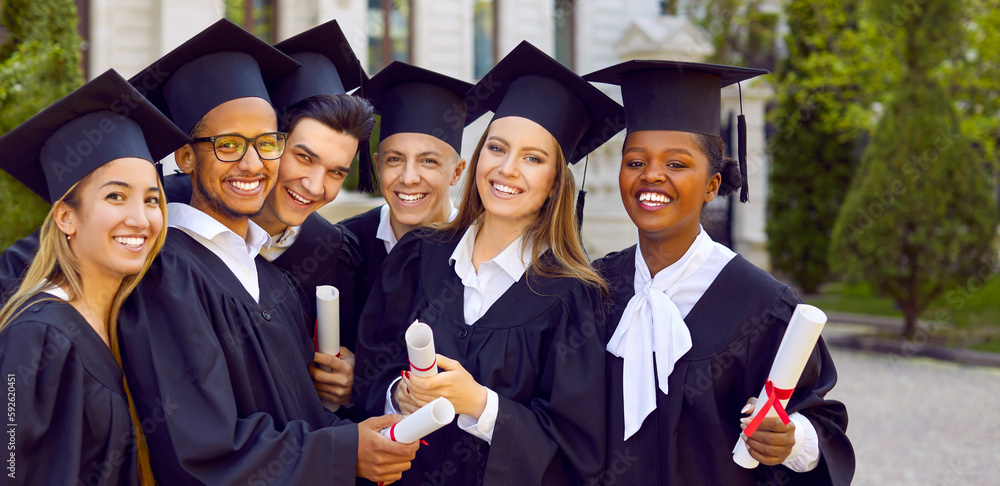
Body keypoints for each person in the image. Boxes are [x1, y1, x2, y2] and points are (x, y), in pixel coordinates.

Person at [116, 20, 416, 484]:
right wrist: (343, 450)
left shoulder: (268, 274)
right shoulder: (164, 270)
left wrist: (359, 433)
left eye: (264, 144)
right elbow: (198, 449)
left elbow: (298, 415)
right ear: (186, 156)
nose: (252, 164)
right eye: (229, 145)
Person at [353, 41, 623, 485]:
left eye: (533, 158)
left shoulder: (574, 299)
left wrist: (479, 403)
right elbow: (367, 376)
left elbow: (579, 451)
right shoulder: (418, 256)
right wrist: (398, 394)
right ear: (477, 159)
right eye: (497, 149)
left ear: (556, 183)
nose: (507, 169)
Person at [584, 60, 855, 484]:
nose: (651, 175)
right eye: (635, 162)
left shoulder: (762, 306)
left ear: (712, 185)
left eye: (676, 164)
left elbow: (819, 424)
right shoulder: (593, 289)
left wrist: (790, 439)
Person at [160, 20, 375, 408]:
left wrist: (352, 383)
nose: (313, 185)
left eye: (336, 172)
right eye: (303, 157)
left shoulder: (333, 251)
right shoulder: (165, 215)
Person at [0, 70, 190, 485]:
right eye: (115, 196)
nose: (140, 219)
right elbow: (9, 467)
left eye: (153, 199)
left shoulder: (123, 320)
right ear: (66, 217)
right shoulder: (38, 335)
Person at [340, 61, 472, 320]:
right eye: (395, 159)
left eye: (428, 161)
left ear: (457, 172)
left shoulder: (479, 248)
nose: (409, 178)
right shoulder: (344, 246)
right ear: (378, 165)